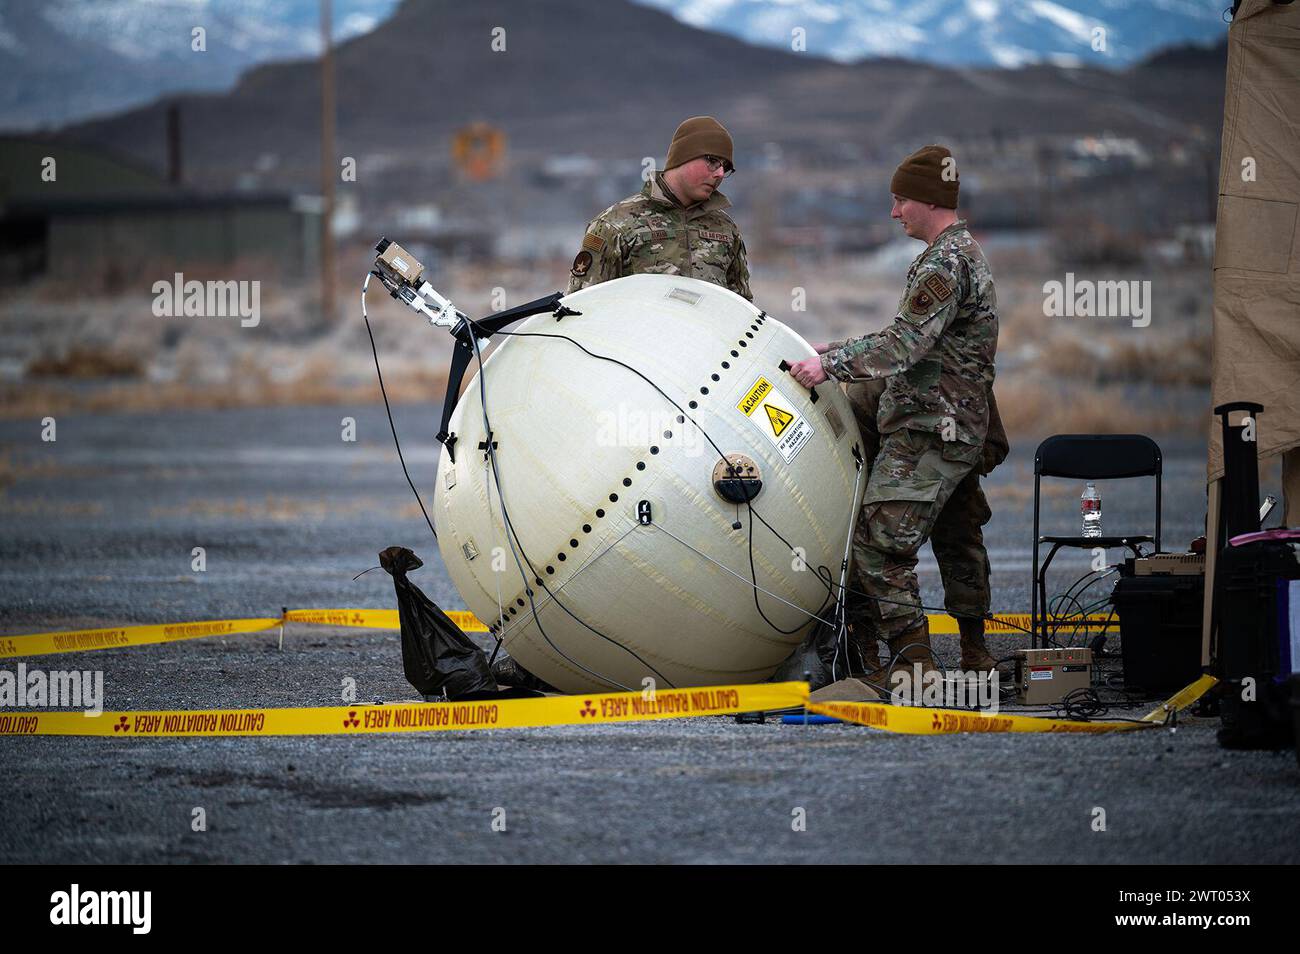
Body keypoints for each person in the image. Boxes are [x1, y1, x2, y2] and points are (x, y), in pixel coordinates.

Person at [787, 144, 998, 676]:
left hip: (930, 429)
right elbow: (907, 339)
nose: (894, 211)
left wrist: (827, 369)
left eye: (900, 199)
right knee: (958, 536)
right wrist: (831, 352)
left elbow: (903, 346)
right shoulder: (957, 255)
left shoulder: (944, 264)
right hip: (953, 425)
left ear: (927, 200)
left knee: (879, 547)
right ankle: (974, 657)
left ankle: (913, 668)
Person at [843, 377, 1008, 673]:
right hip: (893, 485)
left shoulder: (960, 370)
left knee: (963, 552)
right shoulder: (875, 375)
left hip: (954, 484)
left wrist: (949, 470)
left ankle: (973, 651)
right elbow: (859, 446)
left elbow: (994, 444)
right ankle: (877, 656)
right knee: (871, 554)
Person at [566, 116, 751, 300]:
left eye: (725, 168)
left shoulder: (725, 228)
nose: (719, 173)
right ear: (683, 156)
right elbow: (581, 307)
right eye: (712, 161)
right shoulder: (614, 225)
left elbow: (741, 307)